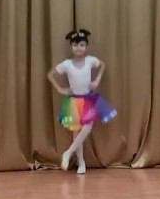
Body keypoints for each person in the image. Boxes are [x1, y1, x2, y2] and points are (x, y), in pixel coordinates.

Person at [48, 29, 117, 175]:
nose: (78, 48)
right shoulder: (67, 64)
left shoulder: (90, 60)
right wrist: (60, 89)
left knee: (87, 128)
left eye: (81, 45)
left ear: (86, 46)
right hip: (74, 101)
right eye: (75, 45)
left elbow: (102, 65)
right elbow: (50, 74)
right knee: (76, 131)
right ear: (71, 47)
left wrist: (97, 80)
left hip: (88, 99)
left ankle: (68, 152)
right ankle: (81, 163)